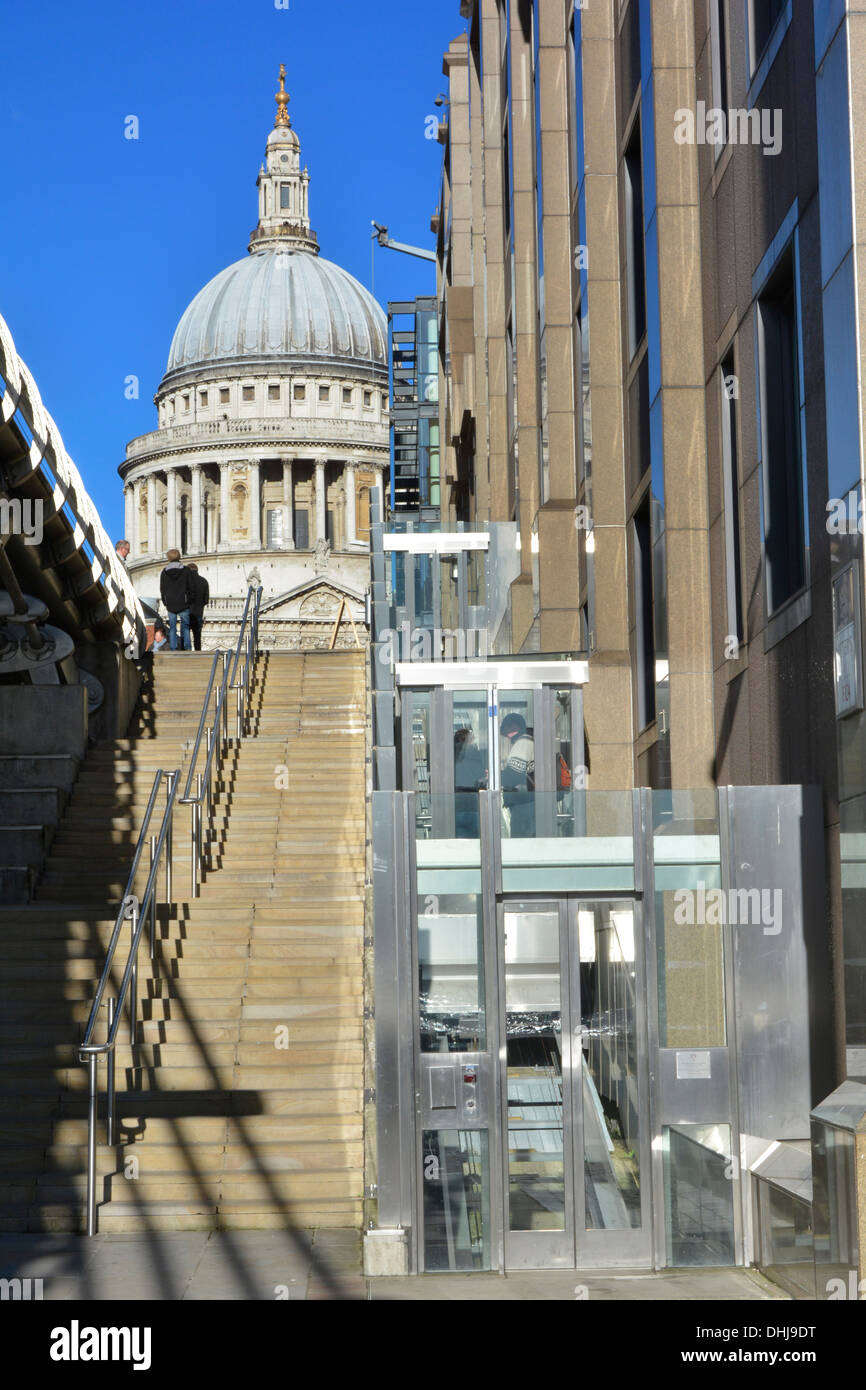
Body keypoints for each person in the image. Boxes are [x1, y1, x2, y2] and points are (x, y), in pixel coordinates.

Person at [500, 712, 535, 837]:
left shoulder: (522, 743)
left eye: (506, 732)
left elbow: (513, 775)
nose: (508, 738)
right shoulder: (531, 741)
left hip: (523, 803)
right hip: (530, 800)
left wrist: (496, 776)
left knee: (521, 842)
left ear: (513, 727)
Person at [454, 727, 487, 838]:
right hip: (474, 805)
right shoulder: (476, 755)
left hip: (456, 805)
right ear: (469, 740)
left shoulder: (451, 756)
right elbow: (481, 779)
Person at [159, 549, 192, 651]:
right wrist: (189, 600)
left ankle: (173, 647)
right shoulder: (186, 570)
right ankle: (187, 647)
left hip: (171, 603)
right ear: (179, 557)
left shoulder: (164, 572)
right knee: (185, 627)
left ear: (168, 558)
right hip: (184, 602)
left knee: (172, 628)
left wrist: (165, 602)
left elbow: (162, 589)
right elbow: (190, 586)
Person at [186, 563, 210, 652]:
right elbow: (206, 600)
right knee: (197, 635)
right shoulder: (203, 581)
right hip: (198, 612)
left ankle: (186, 651)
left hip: (187, 612)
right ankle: (197, 652)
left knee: (185, 634)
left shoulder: (185, 582)